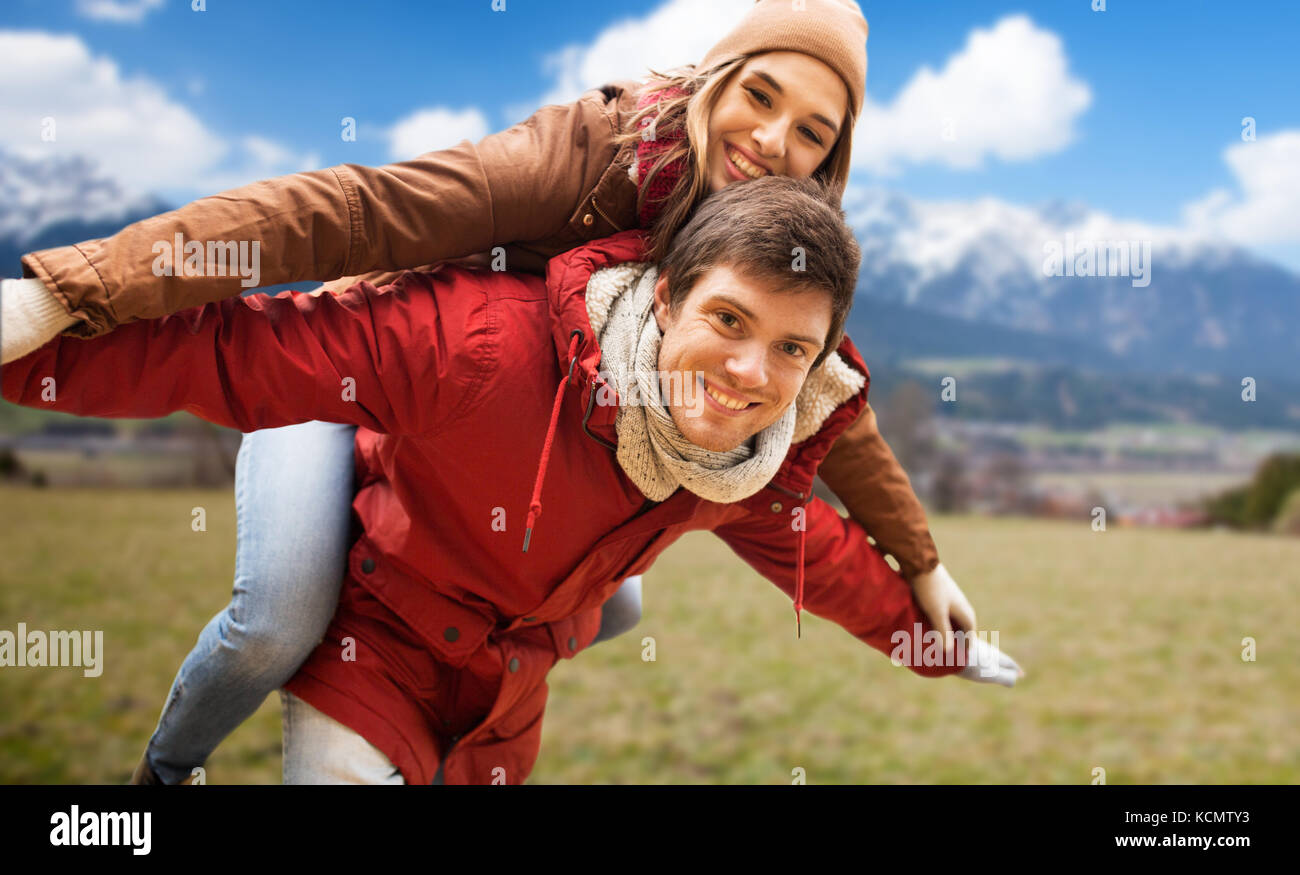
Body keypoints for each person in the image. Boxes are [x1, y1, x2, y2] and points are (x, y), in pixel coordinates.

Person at [0, 0, 977, 785]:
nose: (771, 138)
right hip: (362, 372)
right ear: (715, 76)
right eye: (758, 94)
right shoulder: (585, 159)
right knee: (279, 617)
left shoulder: (770, 246)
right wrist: (68, 289)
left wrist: (922, 563)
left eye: (811, 131)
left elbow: (825, 394)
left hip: (481, 437)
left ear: (831, 157)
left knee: (611, 605)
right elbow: (348, 214)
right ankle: (167, 772)